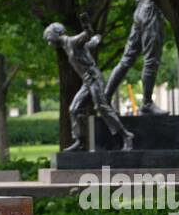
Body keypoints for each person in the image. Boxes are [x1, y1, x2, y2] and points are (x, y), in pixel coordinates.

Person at [43, 14, 134, 152]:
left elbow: (87, 34)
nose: (49, 42)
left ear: (56, 33)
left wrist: (86, 24)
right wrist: (95, 40)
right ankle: (80, 141)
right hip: (87, 81)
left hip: (94, 78)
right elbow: (89, 44)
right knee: (74, 109)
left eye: (49, 37)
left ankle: (126, 136)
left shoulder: (73, 41)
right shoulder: (66, 47)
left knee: (101, 107)